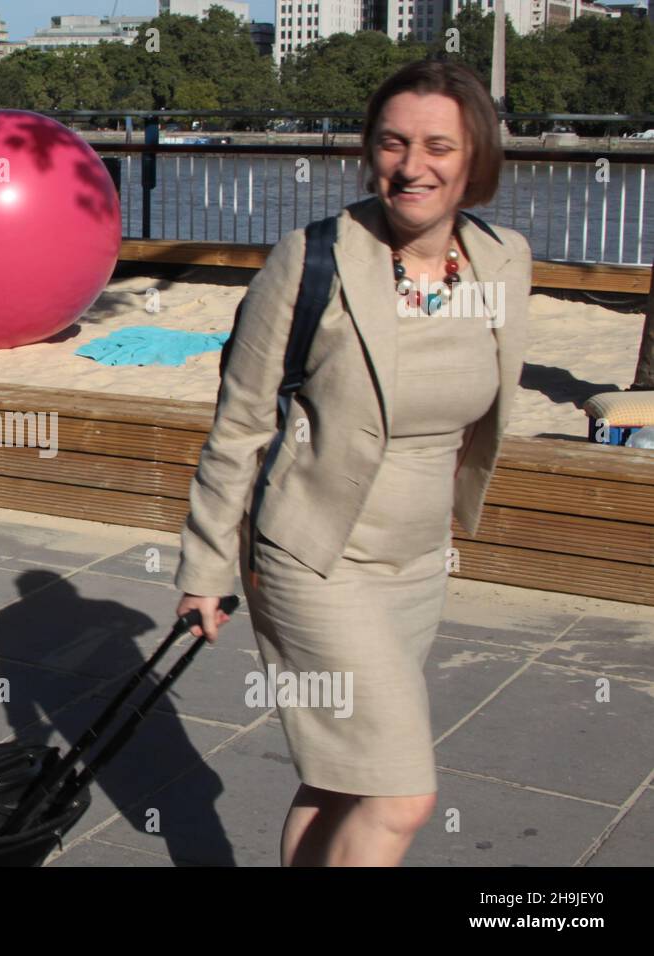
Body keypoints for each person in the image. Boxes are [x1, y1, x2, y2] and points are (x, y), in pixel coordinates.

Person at [174, 59, 533, 867]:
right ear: (370, 151)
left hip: (417, 563)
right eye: (393, 143)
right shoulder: (316, 260)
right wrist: (204, 567)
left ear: (474, 156)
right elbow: (239, 424)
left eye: (438, 145)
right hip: (314, 557)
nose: (413, 166)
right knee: (402, 797)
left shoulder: (504, 260)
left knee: (343, 780)